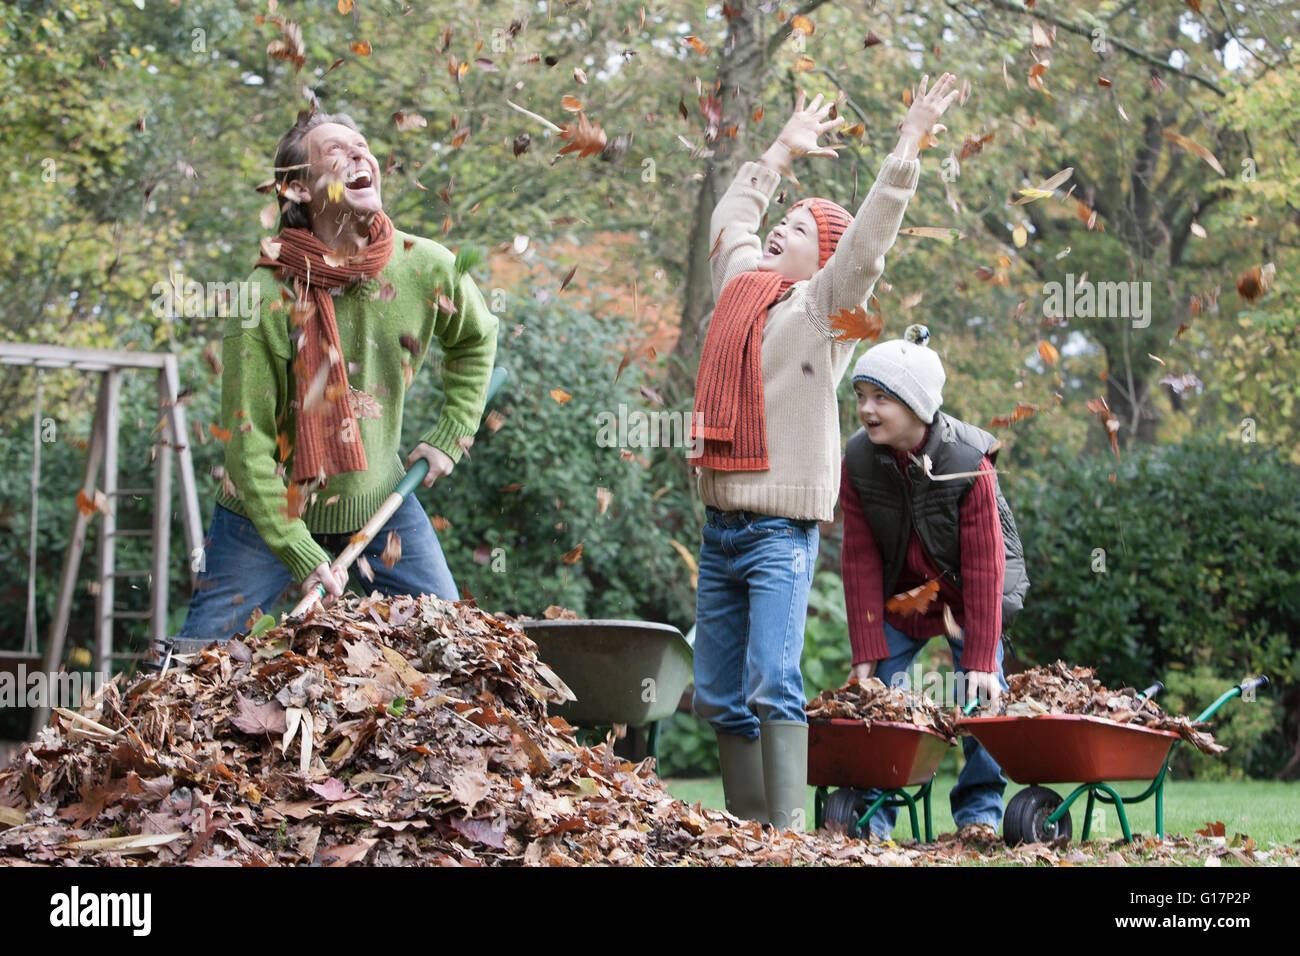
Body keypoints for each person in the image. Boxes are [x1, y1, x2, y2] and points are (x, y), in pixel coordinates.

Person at [691, 75, 962, 829]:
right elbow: (731, 216)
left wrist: (908, 145)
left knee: (770, 680)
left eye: (804, 229)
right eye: (786, 219)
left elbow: (869, 246)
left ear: (824, 262)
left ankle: (783, 836)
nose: (782, 227)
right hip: (720, 532)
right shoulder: (740, 288)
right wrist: (779, 151)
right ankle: (747, 833)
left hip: (780, 535)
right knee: (717, 692)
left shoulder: (823, 316)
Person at [174, 110, 498, 645]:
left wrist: (451, 434)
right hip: (263, 512)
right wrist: (299, 551)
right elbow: (248, 446)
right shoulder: (263, 300)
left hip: (379, 498)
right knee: (194, 663)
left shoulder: (424, 265)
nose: (358, 156)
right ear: (299, 188)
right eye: (336, 153)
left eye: (362, 146)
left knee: (454, 645)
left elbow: (476, 337)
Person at [839, 324, 1030, 840]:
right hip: (909, 594)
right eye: (860, 395)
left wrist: (980, 655)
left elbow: (988, 566)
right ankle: (873, 815)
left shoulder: (968, 462)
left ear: (918, 404)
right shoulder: (858, 459)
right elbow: (858, 558)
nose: (866, 409)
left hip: (973, 592)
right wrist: (866, 649)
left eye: (881, 397)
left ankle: (980, 814)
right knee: (876, 694)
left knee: (983, 693)